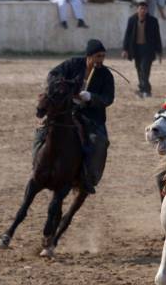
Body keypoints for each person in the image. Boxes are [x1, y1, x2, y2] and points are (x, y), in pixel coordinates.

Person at [41, 39, 115, 194]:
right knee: (42, 131)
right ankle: (38, 164)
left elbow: (108, 98)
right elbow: (53, 74)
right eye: (98, 56)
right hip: (66, 110)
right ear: (89, 56)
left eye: (103, 56)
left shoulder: (106, 75)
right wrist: (65, 86)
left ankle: (88, 177)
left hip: (91, 117)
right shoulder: (73, 64)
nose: (101, 60)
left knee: (99, 142)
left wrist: (91, 97)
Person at [122, 0, 163, 98]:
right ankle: (142, 89)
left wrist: (159, 52)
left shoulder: (153, 21)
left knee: (145, 69)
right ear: (137, 10)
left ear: (147, 10)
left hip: (148, 49)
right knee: (139, 68)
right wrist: (125, 49)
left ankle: (146, 90)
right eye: (141, 9)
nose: (143, 11)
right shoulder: (132, 20)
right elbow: (127, 35)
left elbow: (157, 37)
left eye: (145, 9)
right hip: (136, 49)